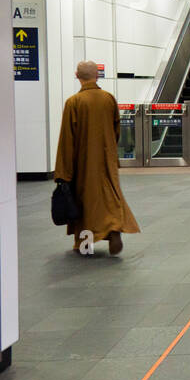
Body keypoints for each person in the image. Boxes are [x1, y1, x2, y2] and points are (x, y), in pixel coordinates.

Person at [53, 60, 140, 255]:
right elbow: (116, 129)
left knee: (86, 201)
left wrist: (63, 172)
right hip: (106, 158)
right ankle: (114, 226)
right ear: (97, 76)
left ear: (77, 76)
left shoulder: (74, 102)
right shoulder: (108, 98)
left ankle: (85, 244)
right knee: (110, 194)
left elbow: (67, 138)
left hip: (83, 162)